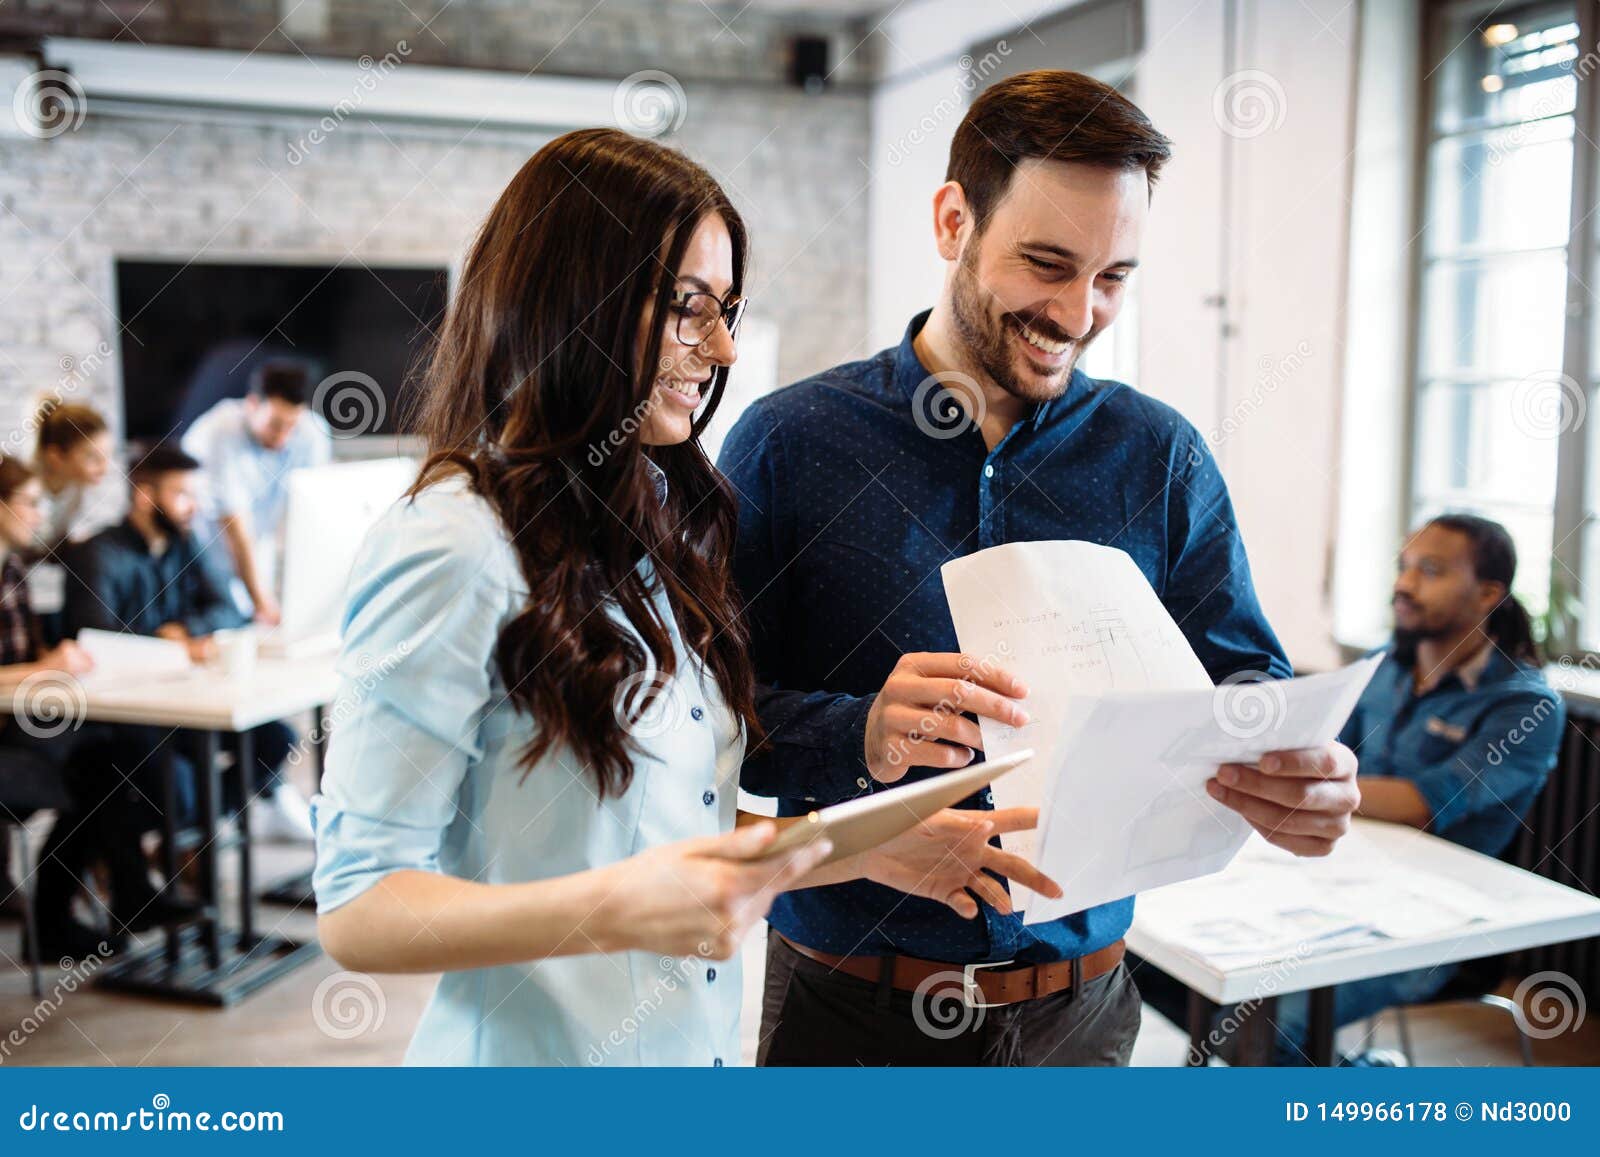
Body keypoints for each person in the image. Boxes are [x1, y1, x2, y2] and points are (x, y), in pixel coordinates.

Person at [311, 127, 1059, 1067]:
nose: (724, 348)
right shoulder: (453, 543)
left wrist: (863, 849)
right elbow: (359, 904)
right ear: (571, 299)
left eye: (728, 309)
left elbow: (676, 830)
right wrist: (612, 904)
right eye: (686, 308)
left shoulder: (654, 522)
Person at [718, 69, 1361, 1067]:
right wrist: (861, 735)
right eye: (1046, 263)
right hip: (841, 1013)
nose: (1076, 312)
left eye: (1112, 277)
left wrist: (1294, 771)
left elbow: (1243, 684)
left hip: (1084, 1016)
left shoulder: (1161, 457)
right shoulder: (788, 443)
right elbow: (710, 722)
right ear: (950, 221)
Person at [1144, 514, 1564, 1065]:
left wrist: (1307, 787)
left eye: (1430, 571)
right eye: (1404, 567)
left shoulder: (1526, 704)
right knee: (1147, 963)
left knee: (1271, 1027)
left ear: (1488, 593)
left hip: (1440, 924)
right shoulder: (1385, 668)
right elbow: (1324, 758)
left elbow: (1423, 802)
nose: (1405, 584)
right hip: (1340, 881)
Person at [59, 445, 308, 841]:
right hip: (125, 711)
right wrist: (168, 643)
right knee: (182, 792)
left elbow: (229, 608)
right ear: (144, 497)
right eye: (181, 494)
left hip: (186, 701)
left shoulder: (184, 542)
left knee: (275, 740)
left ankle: (188, 840)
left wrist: (186, 628)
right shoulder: (97, 553)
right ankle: (165, 844)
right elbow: (98, 640)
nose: (192, 506)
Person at [0, 455, 189, 959]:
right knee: (95, 776)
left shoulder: (12, 568)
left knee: (112, 761)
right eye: (30, 504)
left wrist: (56, 661)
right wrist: (42, 669)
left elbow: (23, 660)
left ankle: (111, 902)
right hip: (7, 743)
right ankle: (97, 908)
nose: (40, 517)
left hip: (20, 725)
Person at [181, 360, 332, 626]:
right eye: (275, 425)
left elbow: (314, 510)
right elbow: (234, 524)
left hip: (260, 549)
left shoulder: (311, 432)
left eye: (291, 426)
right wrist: (263, 603)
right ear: (252, 404)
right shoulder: (219, 432)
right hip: (205, 558)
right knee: (229, 624)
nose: (283, 436)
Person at [26, 399, 115, 639]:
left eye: (106, 456)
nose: (104, 468)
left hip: (44, 591)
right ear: (56, 457)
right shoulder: (24, 488)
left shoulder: (75, 489)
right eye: (92, 458)